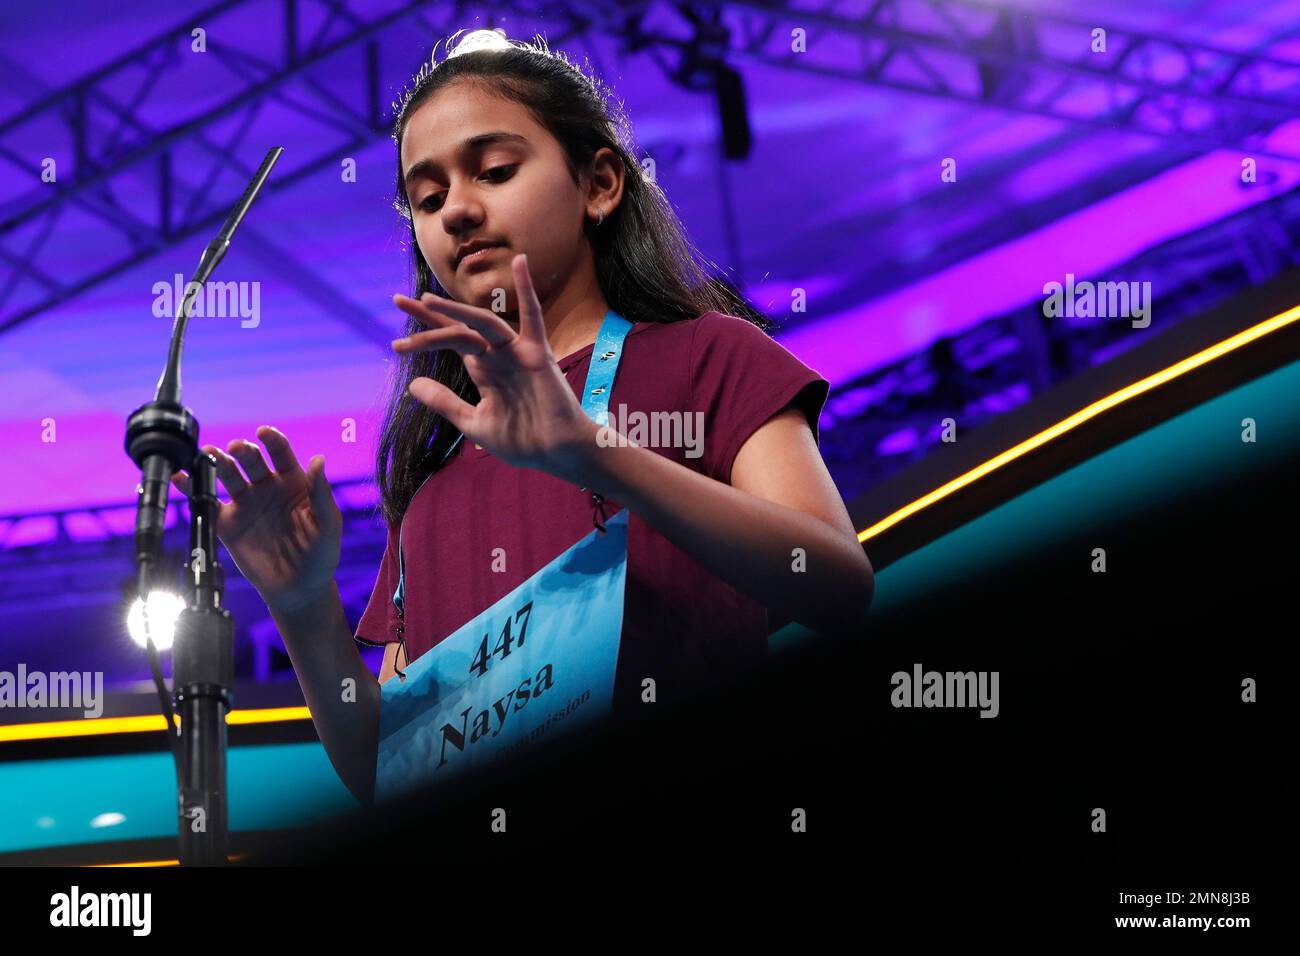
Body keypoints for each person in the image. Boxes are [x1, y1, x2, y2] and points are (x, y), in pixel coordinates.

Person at [170, 29, 873, 807]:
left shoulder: (709, 354)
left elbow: (836, 585)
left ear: (601, 183)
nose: (458, 211)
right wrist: (302, 606)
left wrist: (596, 454)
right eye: (427, 199)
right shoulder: (432, 484)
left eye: (495, 171)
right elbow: (384, 768)